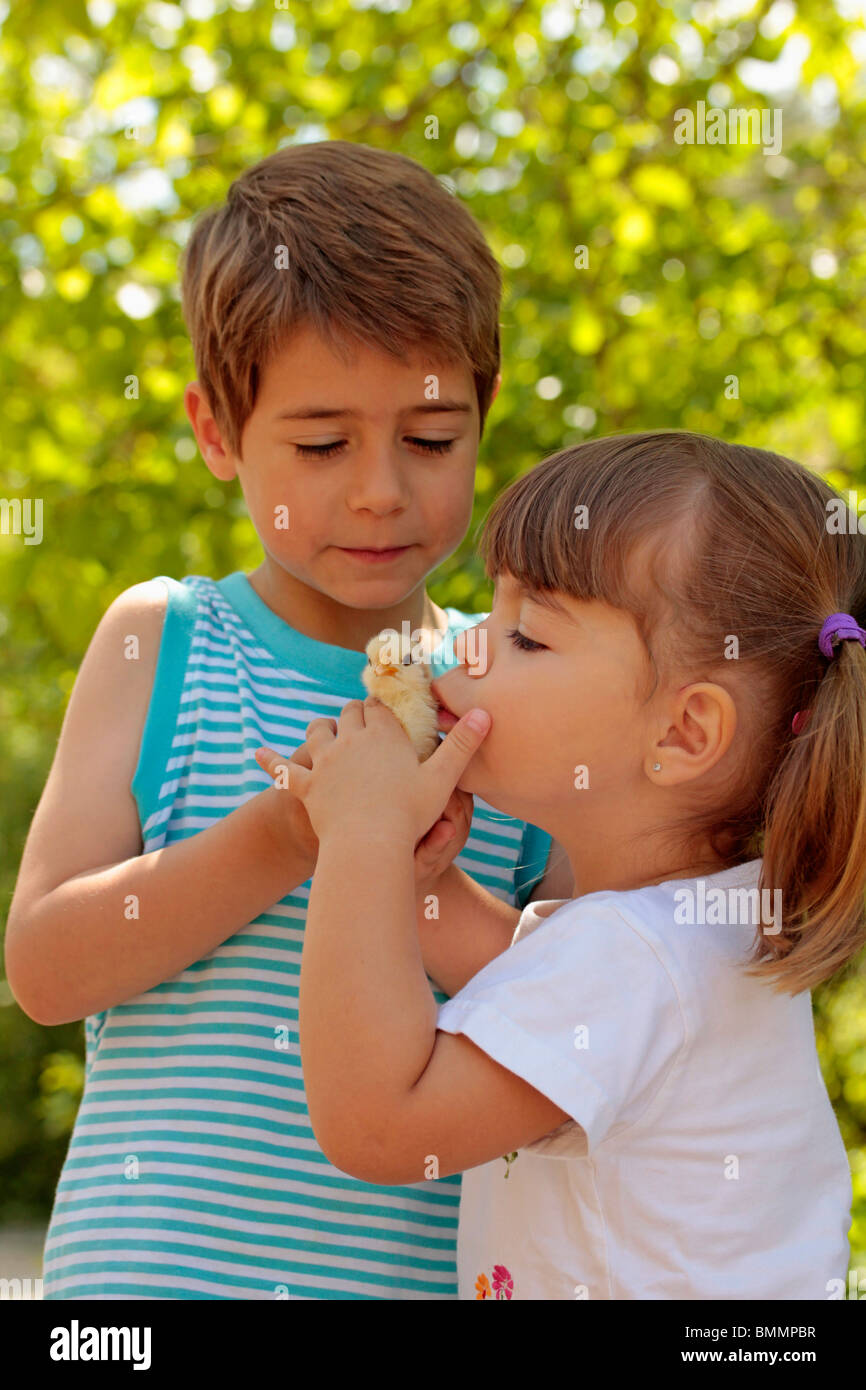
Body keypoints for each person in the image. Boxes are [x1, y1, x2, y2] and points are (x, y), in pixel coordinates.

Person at [4, 141, 565, 1300]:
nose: (378, 491)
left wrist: (420, 883)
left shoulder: (510, 691)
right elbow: (47, 970)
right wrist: (294, 835)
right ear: (217, 433)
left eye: (428, 439)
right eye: (318, 445)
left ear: (483, 415)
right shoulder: (160, 643)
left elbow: (587, 1003)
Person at [261, 430, 861, 1300]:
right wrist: (418, 875)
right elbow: (523, 981)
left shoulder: (630, 956)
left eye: (527, 638)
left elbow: (379, 1128)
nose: (467, 652)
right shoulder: (691, 932)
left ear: (684, 733)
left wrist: (361, 841)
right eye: (487, 615)